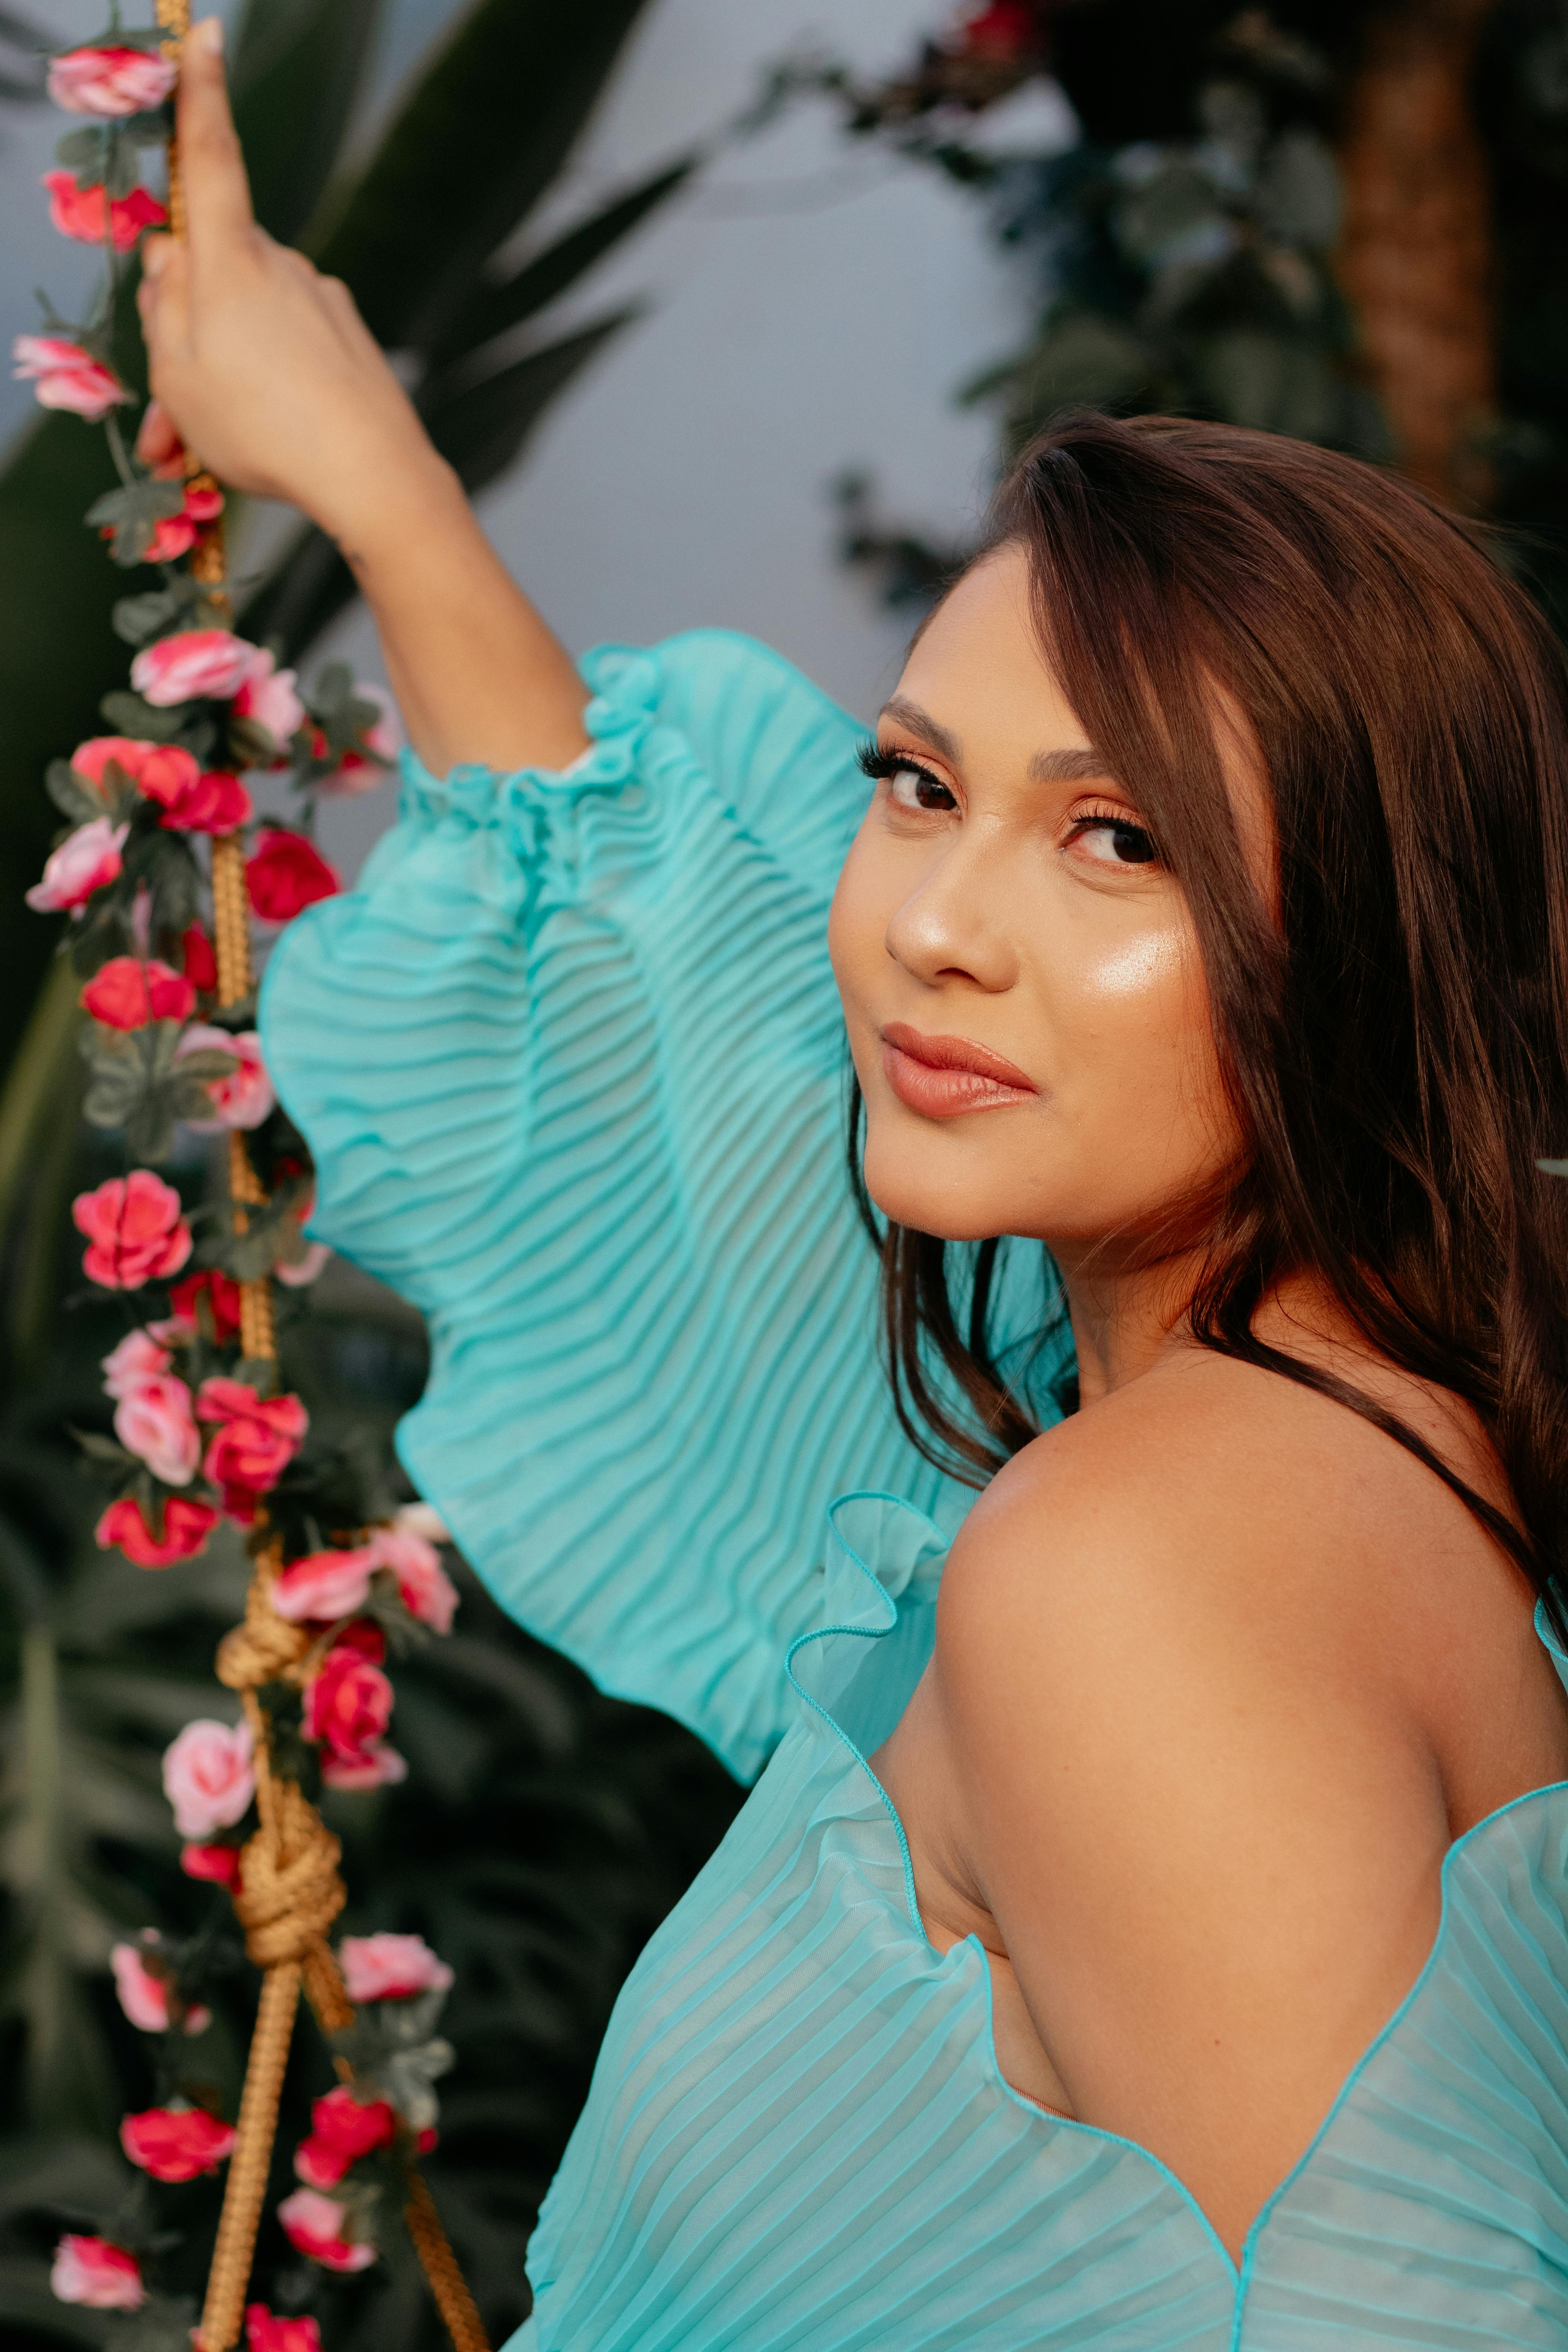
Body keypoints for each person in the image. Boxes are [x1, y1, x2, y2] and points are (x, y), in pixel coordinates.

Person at [142, 23, 1568, 2349]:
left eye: (1119, 838)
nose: (935, 925)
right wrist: (373, 477)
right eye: (917, 786)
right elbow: (689, 1056)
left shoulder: (1135, 1578)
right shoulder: (1301, 1411)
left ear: (1373, 950)